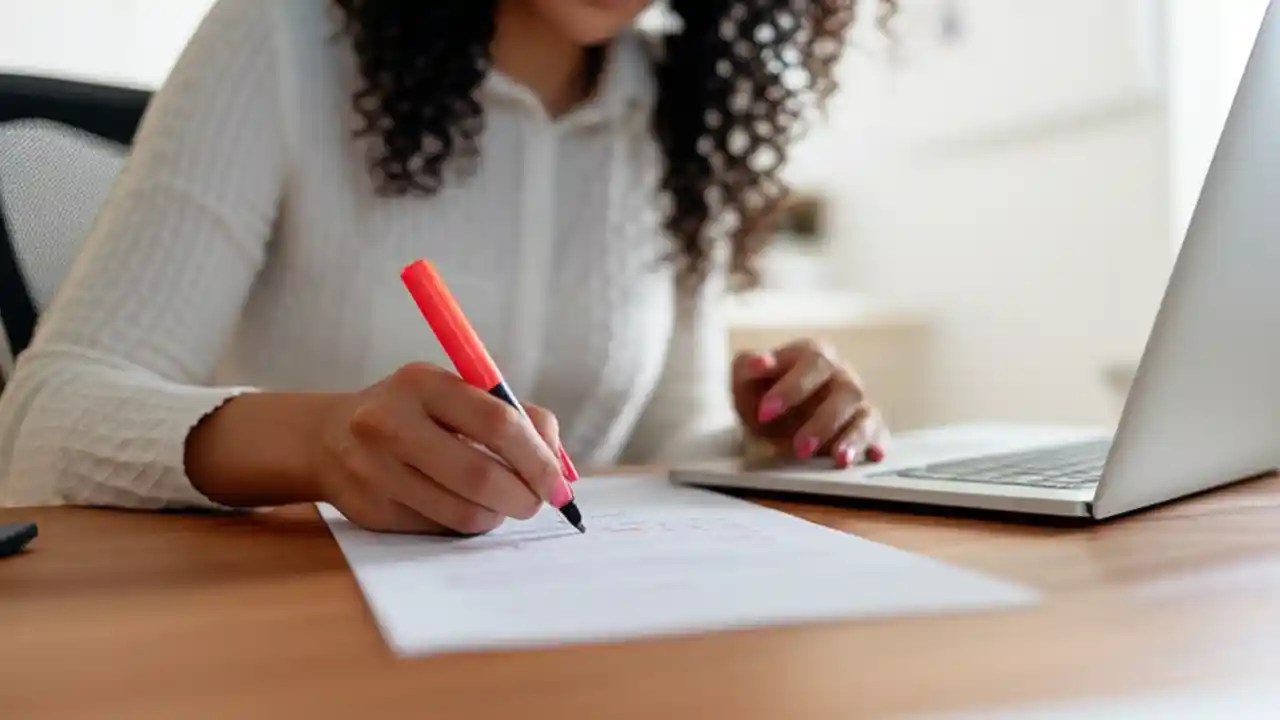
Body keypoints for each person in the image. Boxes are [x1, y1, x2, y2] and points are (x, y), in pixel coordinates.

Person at [0, 0, 891, 535]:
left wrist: (768, 441)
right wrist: (318, 444)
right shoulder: (285, 38)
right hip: (287, 641)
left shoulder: (678, 119)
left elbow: (664, 439)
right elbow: (44, 419)